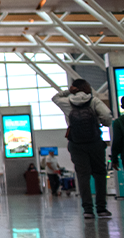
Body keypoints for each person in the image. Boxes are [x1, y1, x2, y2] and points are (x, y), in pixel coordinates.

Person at [53, 78, 113, 219]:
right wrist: (103, 122)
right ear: (86, 88)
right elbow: (107, 116)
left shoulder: (67, 102)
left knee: (82, 176)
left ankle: (87, 210)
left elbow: (55, 97)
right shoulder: (94, 101)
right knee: (99, 174)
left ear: (74, 89)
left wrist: (69, 91)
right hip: (95, 142)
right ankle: (101, 209)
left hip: (76, 144)